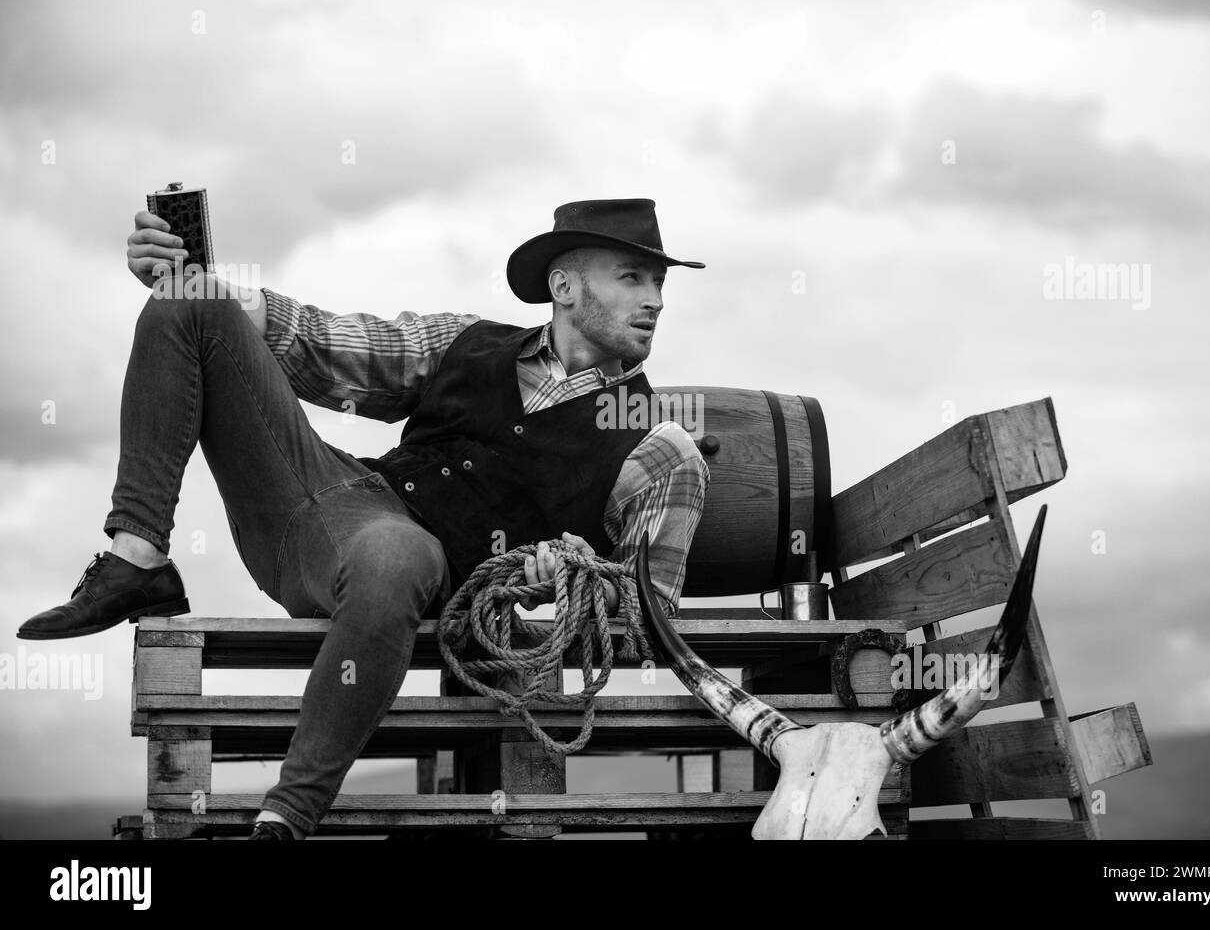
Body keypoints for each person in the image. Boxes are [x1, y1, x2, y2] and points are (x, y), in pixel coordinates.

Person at [17, 197, 711, 839]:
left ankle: (285, 817)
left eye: (659, 286)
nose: (653, 301)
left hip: (414, 566)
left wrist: (563, 582)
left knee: (395, 556)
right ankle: (137, 558)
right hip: (322, 494)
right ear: (565, 286)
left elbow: (650, 620)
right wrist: (193, 275)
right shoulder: (466, 341)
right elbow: (325, 342)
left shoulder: (659, 449)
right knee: (185, 303)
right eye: (632, 278)